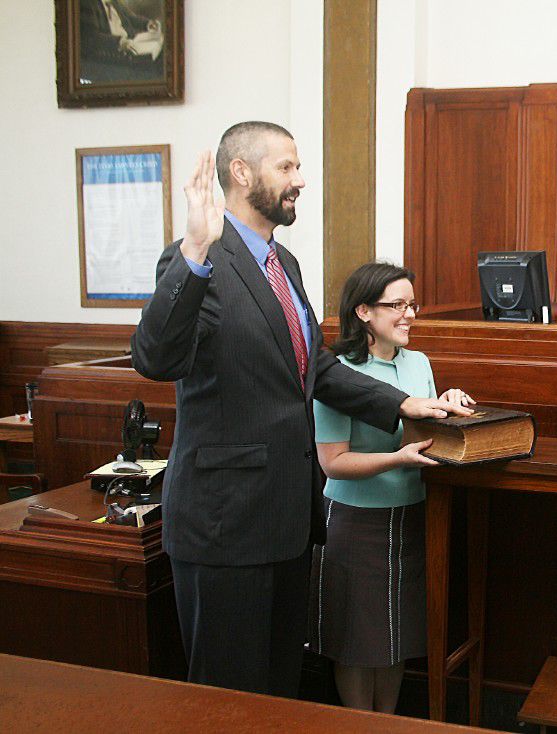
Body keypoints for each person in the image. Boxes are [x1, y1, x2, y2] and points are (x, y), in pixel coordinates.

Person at [131, 121, 470, 697]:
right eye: (286, 167)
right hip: (224, 524)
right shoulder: (198, 259)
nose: (300, 180)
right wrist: (192, 250)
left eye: (298, 167)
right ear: (241, 173)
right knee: (228, 696)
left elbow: (319, 370)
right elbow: (155, 357)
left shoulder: (282, 264)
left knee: (280, 690)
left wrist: (408, 402)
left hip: (287, 520)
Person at [310, 262, 472, 713]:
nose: (409, 314)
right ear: (363, 311)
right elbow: (333, 463)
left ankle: (389, 722)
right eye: (396, 305)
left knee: (397, 637)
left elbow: (424, 437)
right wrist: (397, 459)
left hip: (413, 517)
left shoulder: (419, 363)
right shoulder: (338, 372)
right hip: (355, 523)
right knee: (358, 642)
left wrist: (448, 405)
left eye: (412, 304)